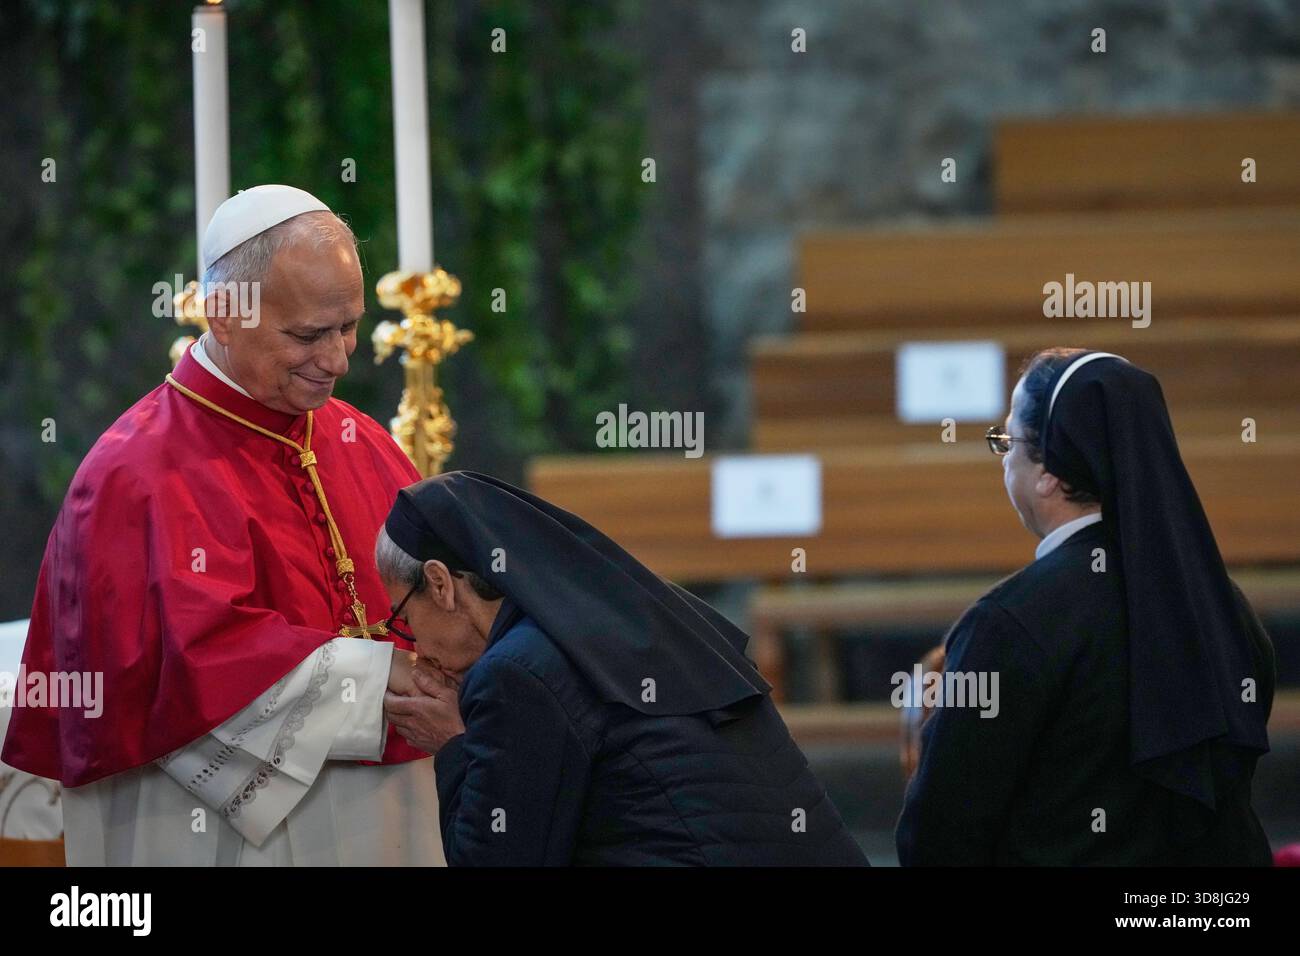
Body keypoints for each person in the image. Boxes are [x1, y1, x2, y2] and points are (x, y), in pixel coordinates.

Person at [1, 185, 444, 866]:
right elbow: (188, 664)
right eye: (308, 335)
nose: (338, 359)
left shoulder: (361, 439)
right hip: (214, 834)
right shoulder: (135, 472)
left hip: (386, 817)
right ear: (224, 313)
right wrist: (381, 677)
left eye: (349, 325)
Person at [896, 348, 1274, 865]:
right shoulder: (1225, 605)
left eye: (1008, 441)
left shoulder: (1006, 625)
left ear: (1048, 470)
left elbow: (937, 838)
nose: (1004, 457)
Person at [375, 471, 870, 866]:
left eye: (403, 618)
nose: (414, 644)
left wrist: (454, 745)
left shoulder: (515, 673)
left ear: (440, 584)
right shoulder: (616, 615)